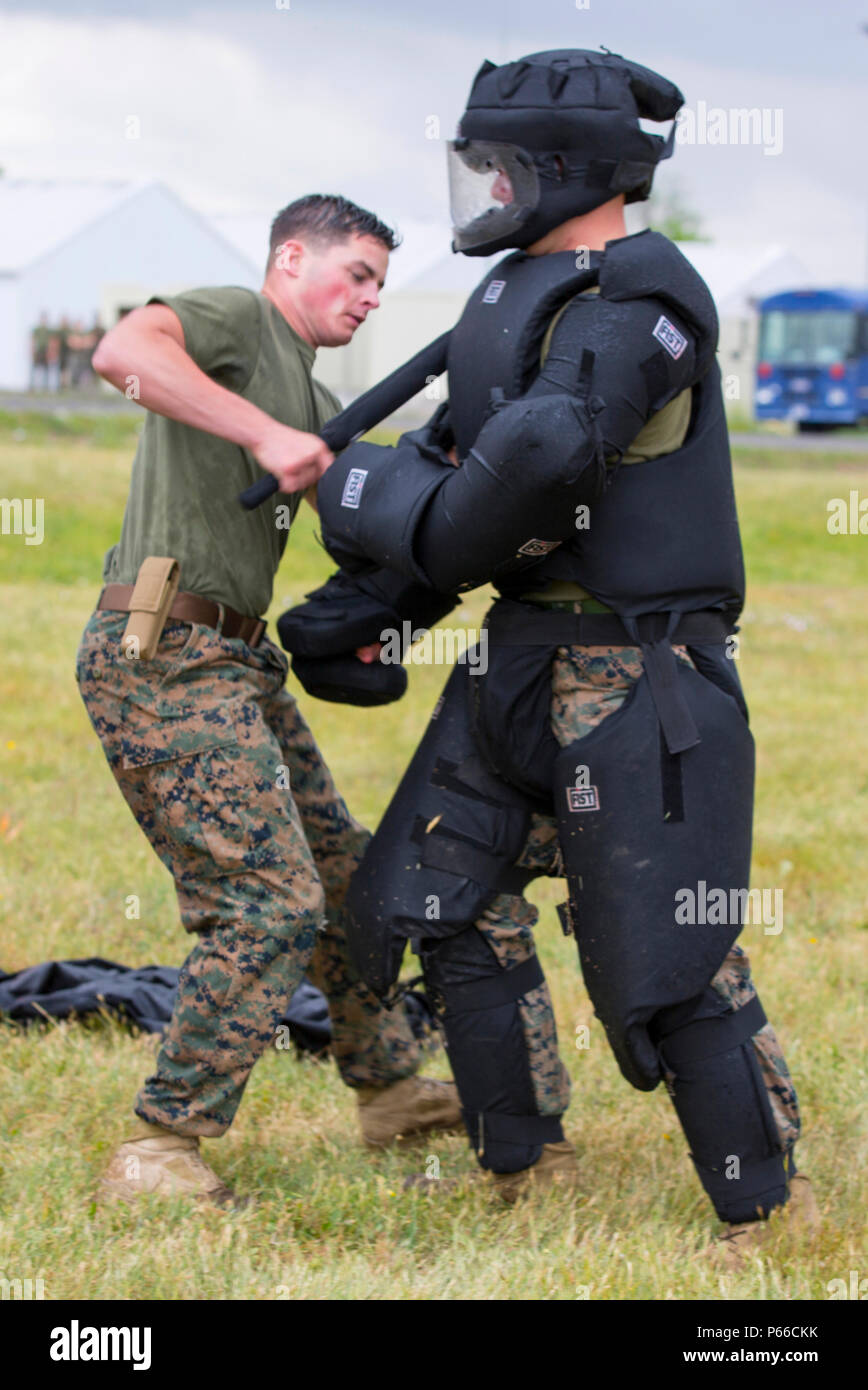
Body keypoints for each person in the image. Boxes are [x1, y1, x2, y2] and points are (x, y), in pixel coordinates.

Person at [287, 51, 818, 1265]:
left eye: (499, 163)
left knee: (666, 944)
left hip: (640, 675)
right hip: (521, 658)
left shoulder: (644, 306)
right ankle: (524, 1155)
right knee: (440, 894)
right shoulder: (514, 302)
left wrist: (368, 501)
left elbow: (525, 469)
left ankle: (764, 1208)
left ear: (564, 168)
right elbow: (454, 474)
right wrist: (364, 609)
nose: (482, 184)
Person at [76, 193, 460, 1209]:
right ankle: (160, 1150)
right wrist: (264, 433)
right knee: (266, 904)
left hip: (235, 660)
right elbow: (123, 352)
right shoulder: (242, 322)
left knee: (341, 870)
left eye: (381, 282)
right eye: (358, 274)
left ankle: (387, 1090)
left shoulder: (305, 377)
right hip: (164, 651)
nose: (370, 298)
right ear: (293, 258)